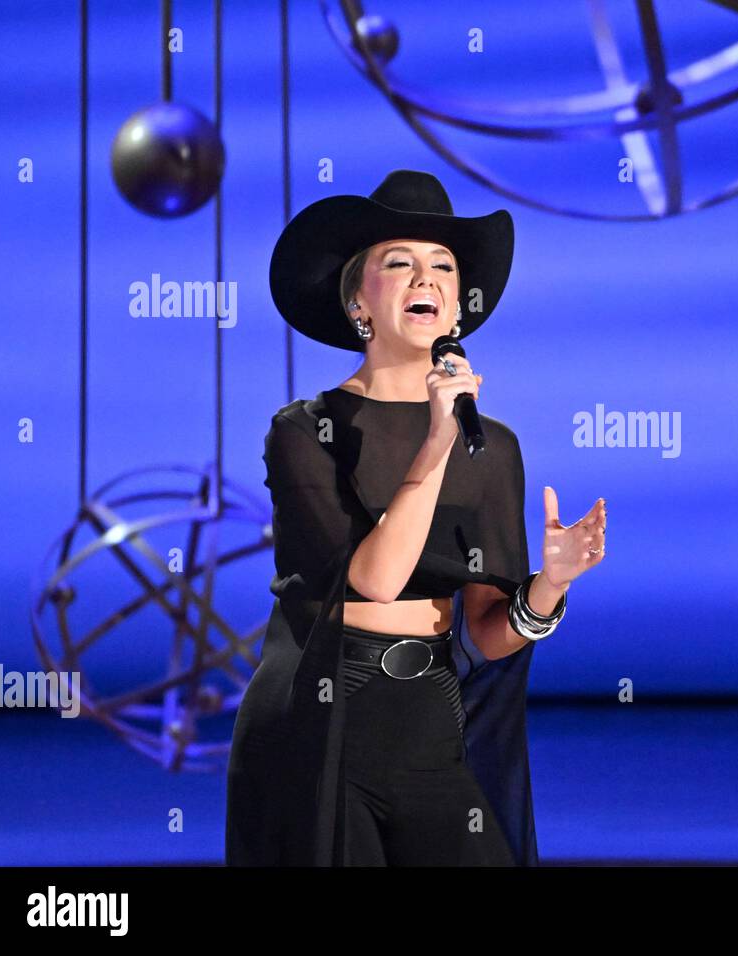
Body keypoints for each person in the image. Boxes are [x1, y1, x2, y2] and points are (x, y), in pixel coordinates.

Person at [226, 169, 607, 866]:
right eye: (398, 264)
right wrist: (435, 442)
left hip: (430, 714)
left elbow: (489, 631)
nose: (423, 278)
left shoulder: (492, 445)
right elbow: (374, 578)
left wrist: (549, 586)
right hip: (322, 721)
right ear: (358, 305)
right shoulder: (305, 431)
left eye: (442, 266)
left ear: (458, 309)